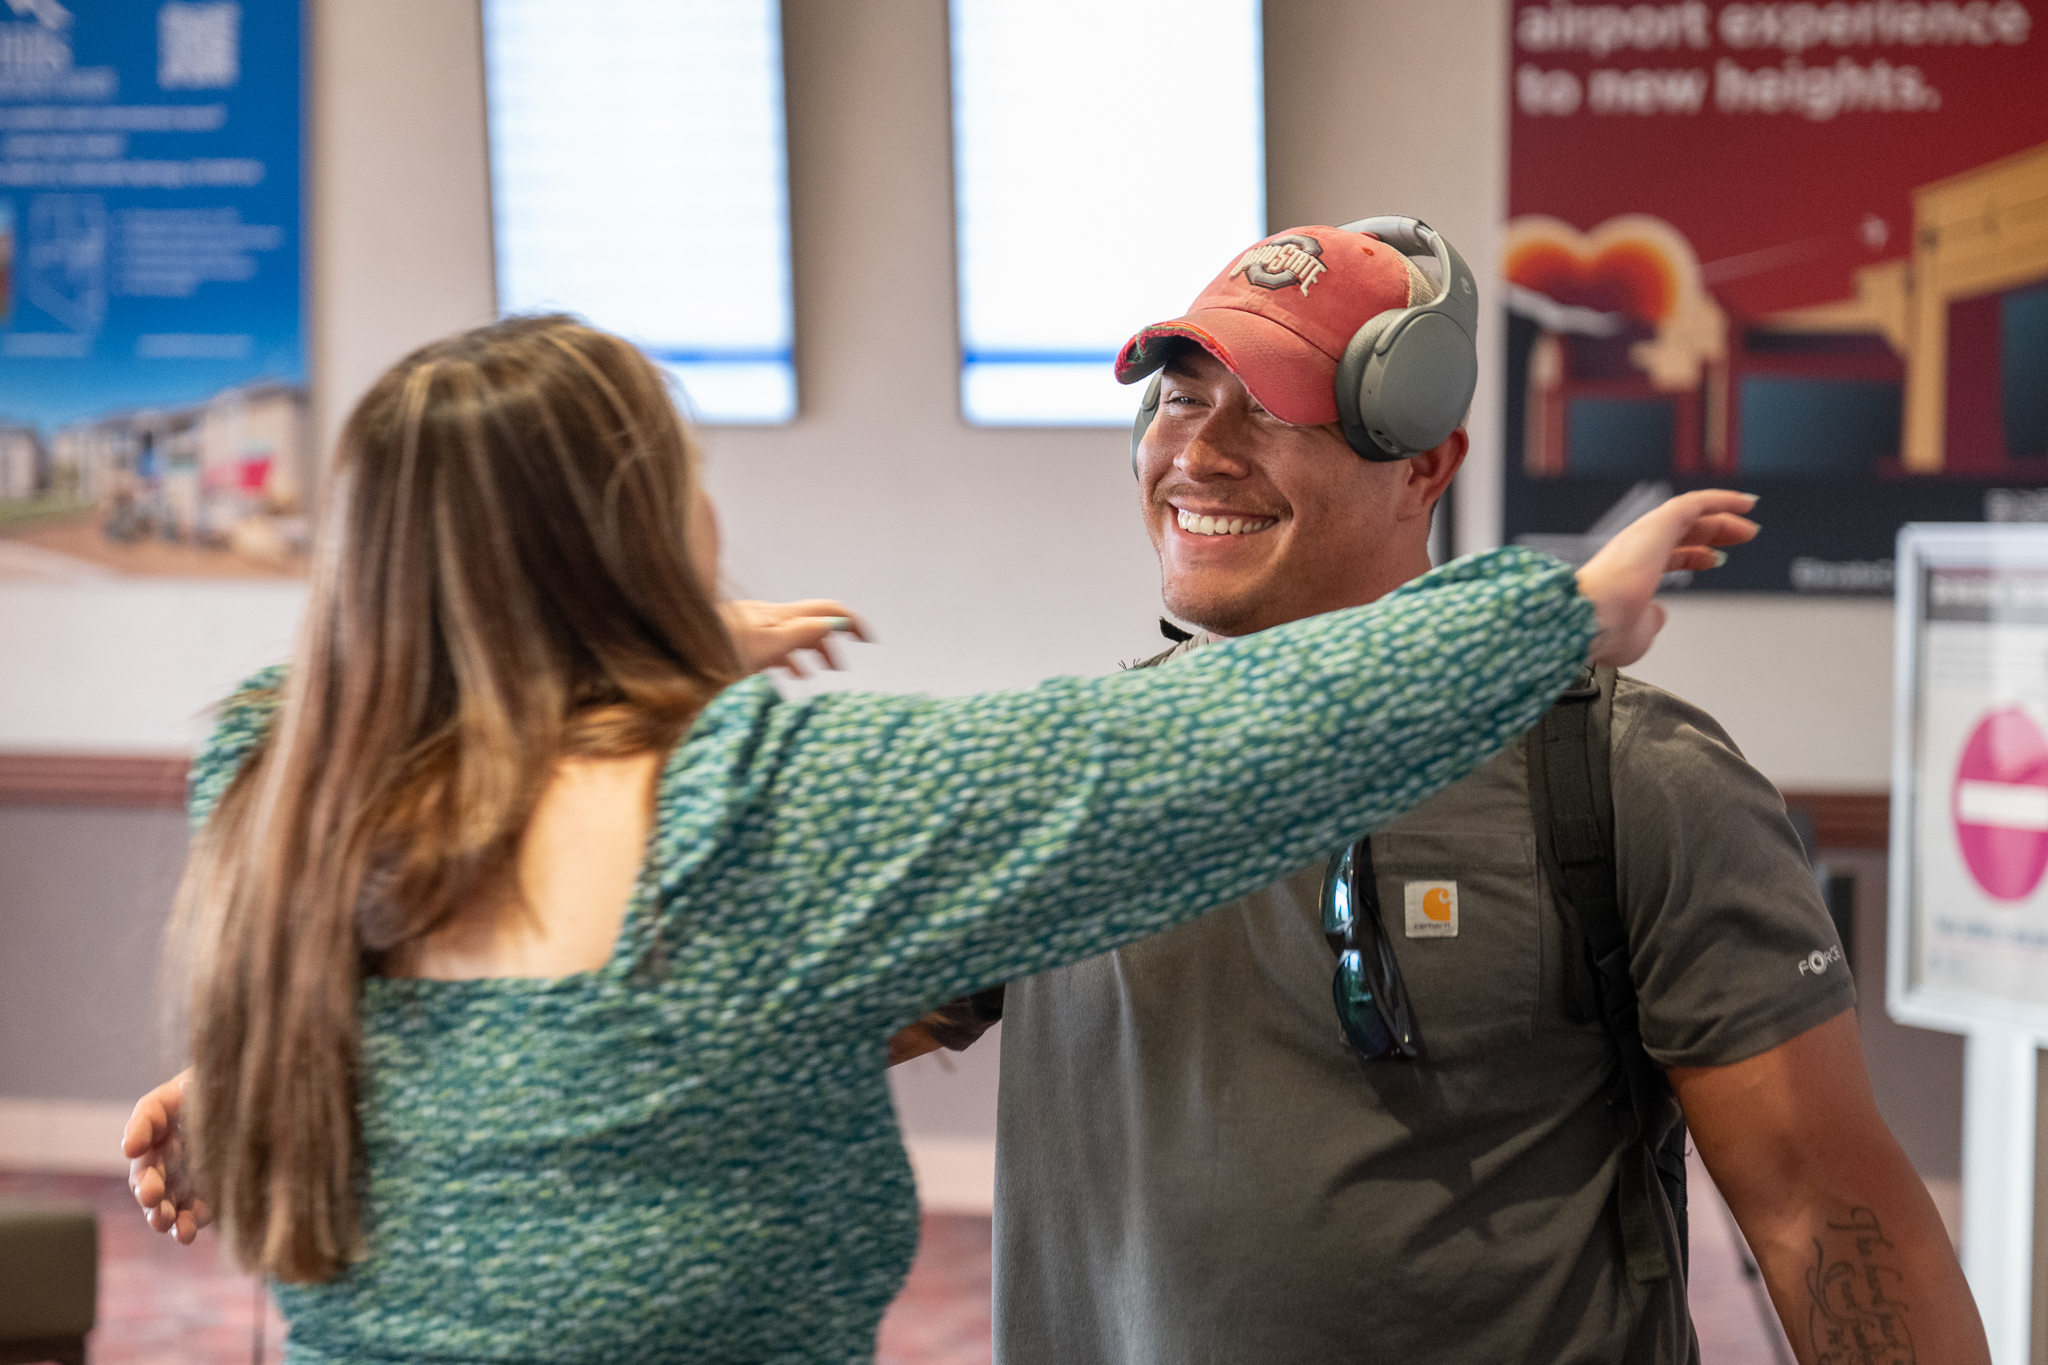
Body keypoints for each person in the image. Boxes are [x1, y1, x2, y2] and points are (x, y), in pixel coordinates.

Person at [121, 314, 1750, 1363]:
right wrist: (1553, 612)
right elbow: (1199, 750)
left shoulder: (279, 793)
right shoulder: (776, 813)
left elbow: (339, 691)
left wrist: (636, 663)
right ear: (640, 526)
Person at [903, 220, 1987, 1363]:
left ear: (1423, 463)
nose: (1201, 454)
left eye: (1270, 408)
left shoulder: (1623, 777)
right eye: (1177, 400)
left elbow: (1819, 1211)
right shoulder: (1076, 772)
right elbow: (788, 1011)